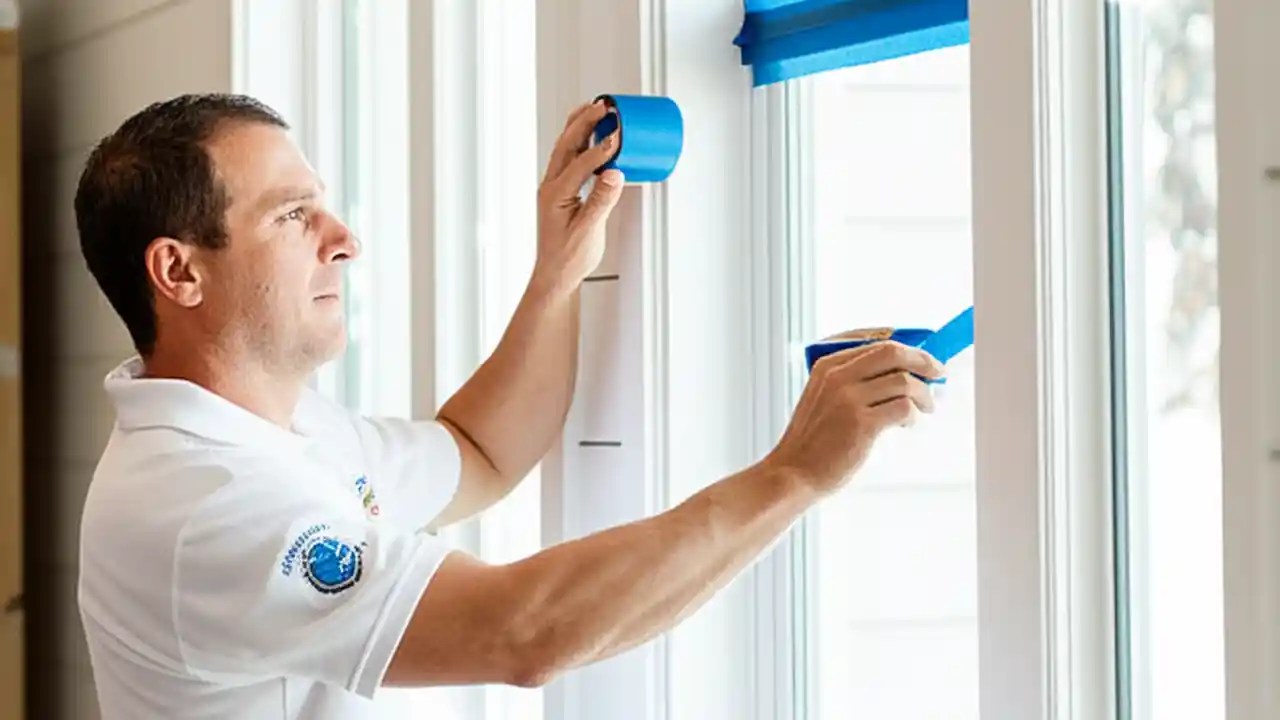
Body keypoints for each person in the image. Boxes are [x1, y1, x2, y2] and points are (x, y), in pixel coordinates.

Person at [74, 93, 944, 719]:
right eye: (294, 216)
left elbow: (479, 451)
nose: (344, 240)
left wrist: (559, 272)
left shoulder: (288, 430)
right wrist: (793, 473)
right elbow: (523, 632)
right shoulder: (199, 505)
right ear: (178, 271)